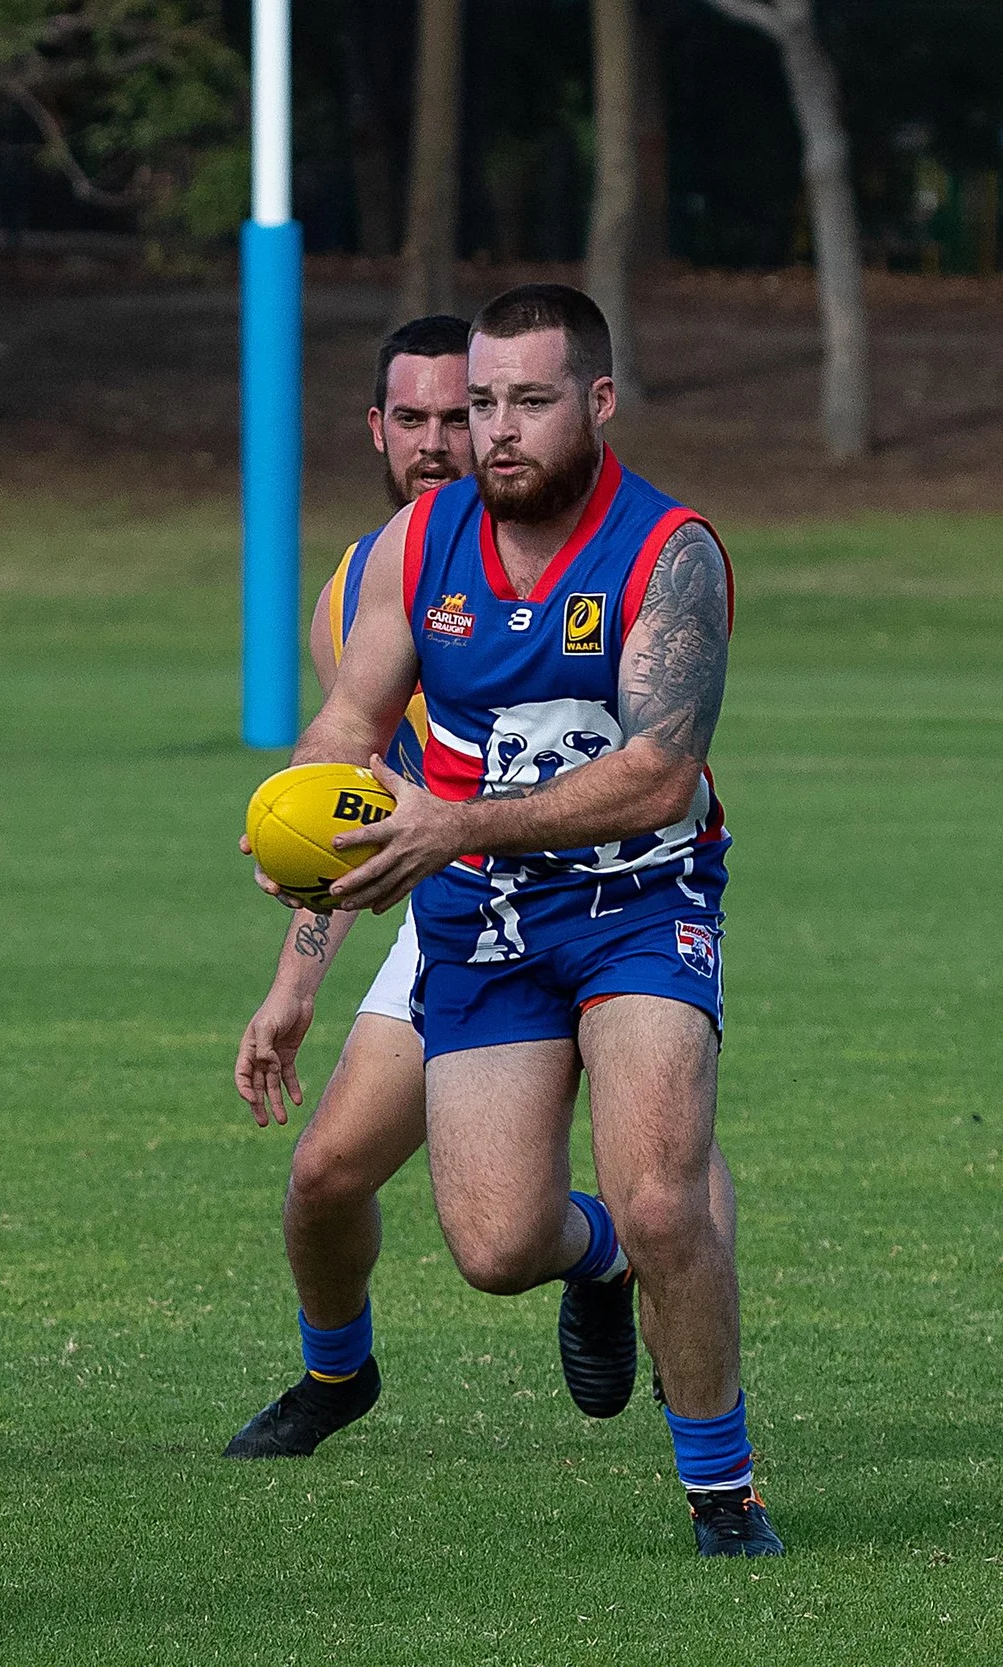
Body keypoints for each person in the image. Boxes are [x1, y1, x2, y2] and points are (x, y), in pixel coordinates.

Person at [280, 283, 776, 1556]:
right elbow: (350, 715)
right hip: (483, 920)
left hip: (639, 903)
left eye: (530, 401)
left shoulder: (669, 550)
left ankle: (721, 1488)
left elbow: (660, 769)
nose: (495, 429)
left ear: (598, 402)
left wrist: (454, 822)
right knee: (499, 1245)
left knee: (667, 1197)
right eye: (483, 401)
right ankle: (604, 1264)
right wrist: (308, 810)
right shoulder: (415, 545)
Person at [224, 314, 483, 1458]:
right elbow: (354, 815)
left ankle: (608, 1258)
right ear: (377, 429)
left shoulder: (581, 556)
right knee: (323, 1176)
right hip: (454, 909)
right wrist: (294, 984)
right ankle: (337, 1373)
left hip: (604, 901)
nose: (435, 443)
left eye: (459, 415)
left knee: (528, 1225)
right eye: (411, 418)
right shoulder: (356, 598)